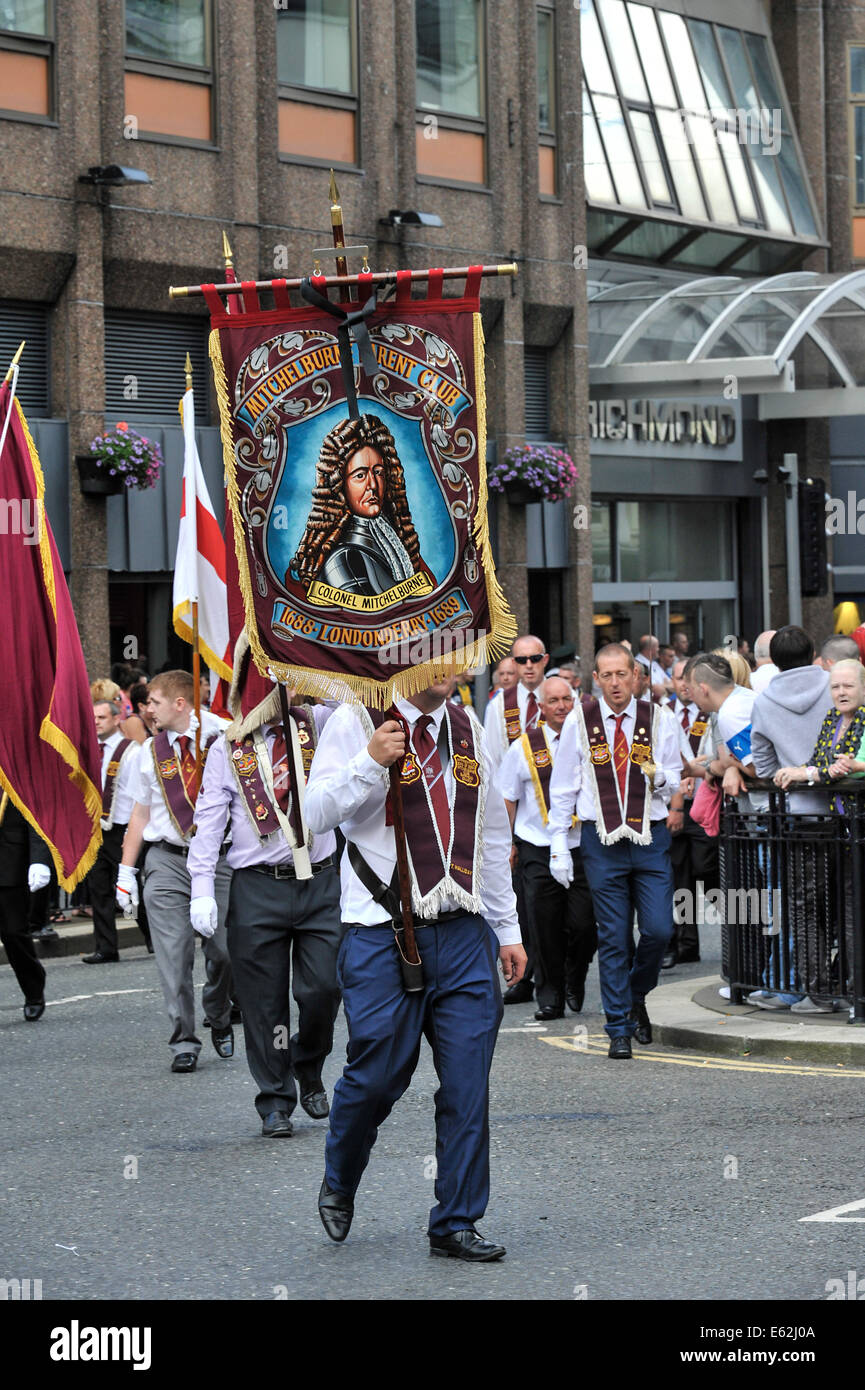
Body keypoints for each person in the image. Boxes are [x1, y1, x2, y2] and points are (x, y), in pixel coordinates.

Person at [304, 679, 526, 1260]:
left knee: (466, 1085)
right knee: (378, 1075)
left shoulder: (470, 727)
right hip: (382, 934)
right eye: (434, 649)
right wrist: (369, 763)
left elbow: (491, 834)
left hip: (463, 931)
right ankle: (341, 1176)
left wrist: (507, 929)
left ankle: (455, 1220)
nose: (447, 664)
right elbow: (315, 814)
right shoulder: (355, 720)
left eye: (456, 650)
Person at [187, 638, 341, 1135]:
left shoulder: (317, 724)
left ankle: (309, 1062)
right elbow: (209, 822)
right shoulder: (227, 749)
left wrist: (311, 653)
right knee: (263, 1000)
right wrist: (202, 887)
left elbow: (356, 700)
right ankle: (275, 1097)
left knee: (323, 989)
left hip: (320, 882)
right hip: (258, 887)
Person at [548, 643, 680, 1059]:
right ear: (596, 679)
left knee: (660, 929)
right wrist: (558, 845)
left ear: (636, 676)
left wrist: (659, 778)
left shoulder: (660, 719)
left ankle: (637, 992)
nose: (615, 682)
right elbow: (564, 782)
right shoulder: (579, 720)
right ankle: (618, 1026)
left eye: (622, 674)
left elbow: (675, 777)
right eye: (606, 675)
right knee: (614, 937)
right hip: (601, 842)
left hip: (650, 838)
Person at [116, 670, 234, 1073]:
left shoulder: (224, 735)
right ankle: (184, 1040)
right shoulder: (147, 752)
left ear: (179, 704)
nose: (147, 709)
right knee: (174, 956)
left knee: (224, 950)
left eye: (154, 702)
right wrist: (125, 871)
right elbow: (139, 813)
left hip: (219, 860)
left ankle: (218, 1010)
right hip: (167, 860)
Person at [498, 677, 596, 1019]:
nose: (561, 706)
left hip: (582, 844)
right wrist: (507, 843)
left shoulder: (589, 739)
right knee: (544, 926)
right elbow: (507, 799)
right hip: (537, 847)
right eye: (552, 700)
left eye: (566, 699)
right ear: (540, 708)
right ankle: (550, 996)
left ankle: (576, 974)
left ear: (576, 700)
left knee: (584, 924)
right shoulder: (523, 747)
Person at [289, 414, 433, 598]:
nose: (372, 485)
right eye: (360, 475)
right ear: (340, 485)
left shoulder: (396, 540)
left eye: (378, 472)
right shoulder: (344, 559)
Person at [485, 633, 549, 1004]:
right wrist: (500, 832)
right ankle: (528, 977)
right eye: (520, 660)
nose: (527, 666)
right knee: (525, 902)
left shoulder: (563, 698)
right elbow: (492, 764)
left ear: (544, 660)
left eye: (534, 659)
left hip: (562, 818)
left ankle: (564, 971)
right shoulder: (500, 705)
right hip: (521, 818)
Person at [664, 657, 717, 969]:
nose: (683, 684)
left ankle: (739, 930)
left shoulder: (709, 712)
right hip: (674, 804)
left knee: (707, 869)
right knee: (677, 877)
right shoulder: (664, 713)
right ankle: (684, 944)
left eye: (688, 677)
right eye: (678, 678)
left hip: (702, 804)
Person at [81, 700, 141, 964]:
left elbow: (138, 792)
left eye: (102, 717)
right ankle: (106, 947)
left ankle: (151, 937)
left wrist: (133, 829)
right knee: (99, 888)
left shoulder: (131, 750)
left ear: (117, 719)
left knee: (129, 889)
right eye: (93, 717)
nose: (96, 721)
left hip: (121, 829)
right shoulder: (88, 750)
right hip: (95, 829)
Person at [0, 793, 52, 1020]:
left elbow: (35, 818)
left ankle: (33, 990)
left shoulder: (13, 769)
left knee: (13, 933)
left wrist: (39, 859)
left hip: (9, 862)